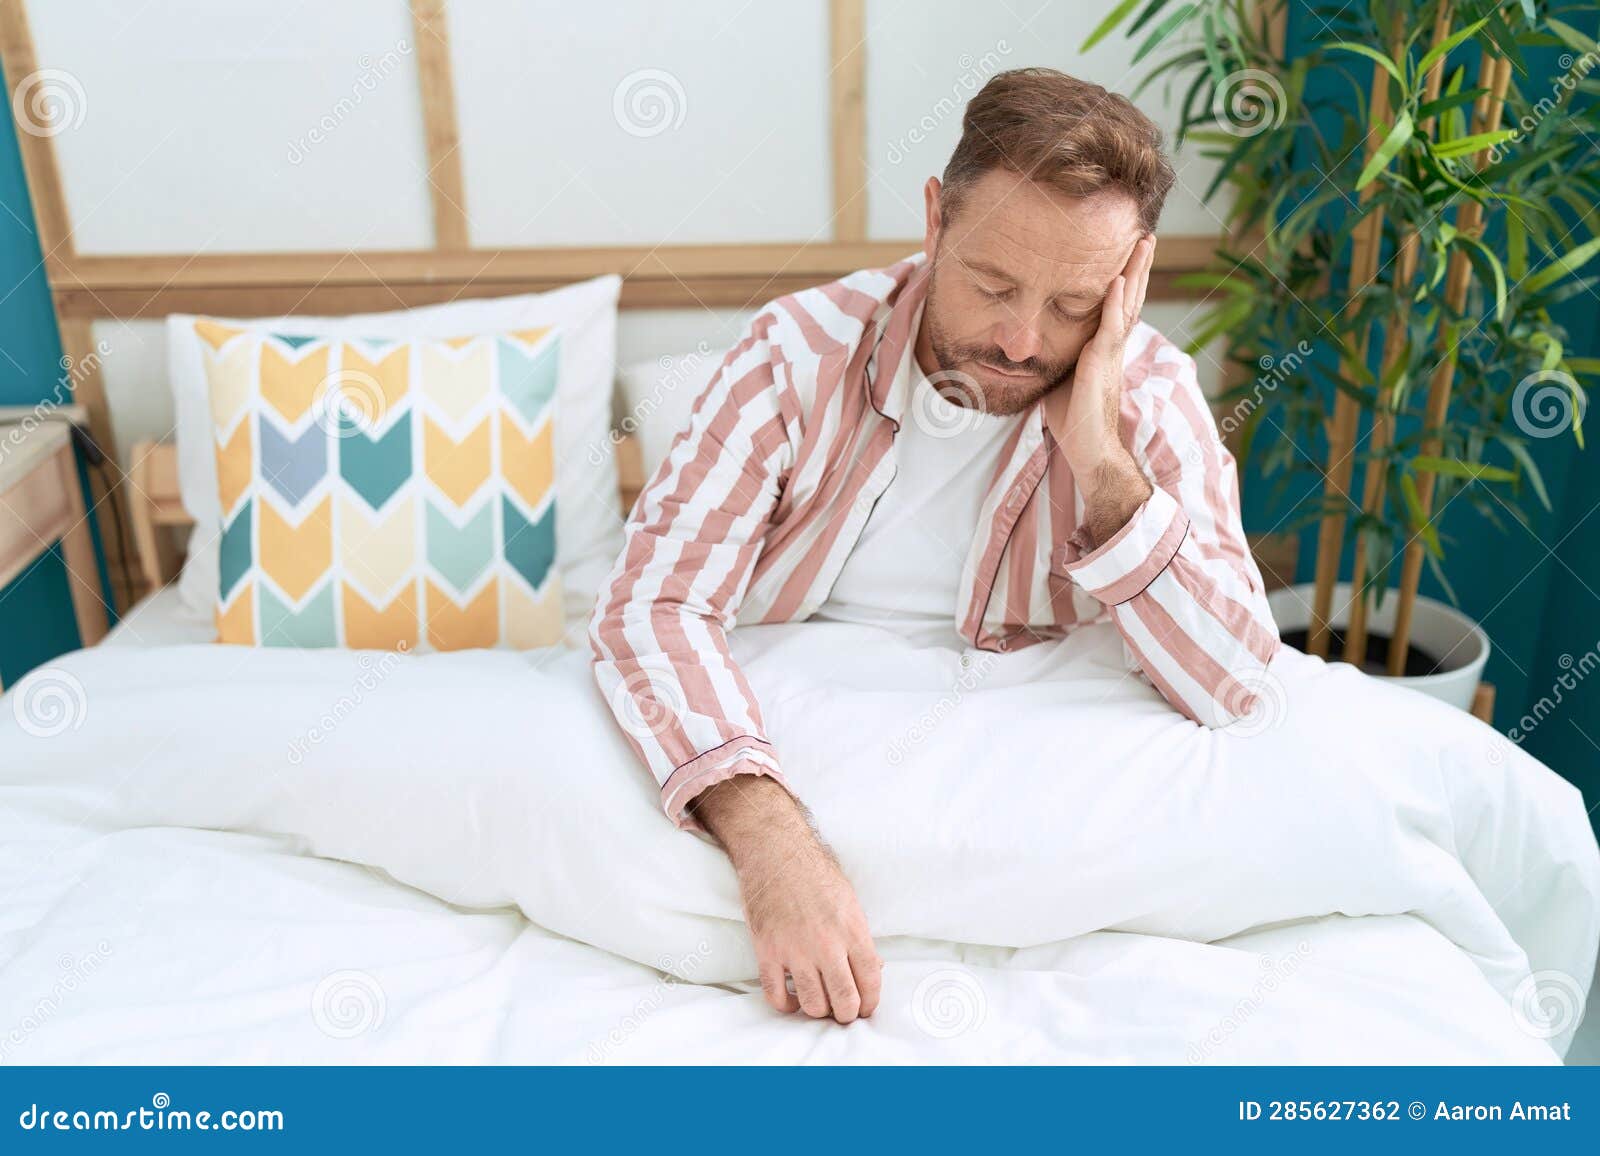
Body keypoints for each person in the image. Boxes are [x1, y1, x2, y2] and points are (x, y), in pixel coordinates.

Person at [589, 67, 1279, 1025]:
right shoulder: (794, 352)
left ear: (1130, 280)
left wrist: (1103, 462)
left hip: (1010, 804)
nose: (1020, 338)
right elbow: (652, 608)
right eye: (992, 283)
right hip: (769, 744)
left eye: (1074, 305)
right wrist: (769, 840)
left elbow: (1239, 681)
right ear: (934, 220)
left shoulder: (1149, 395)